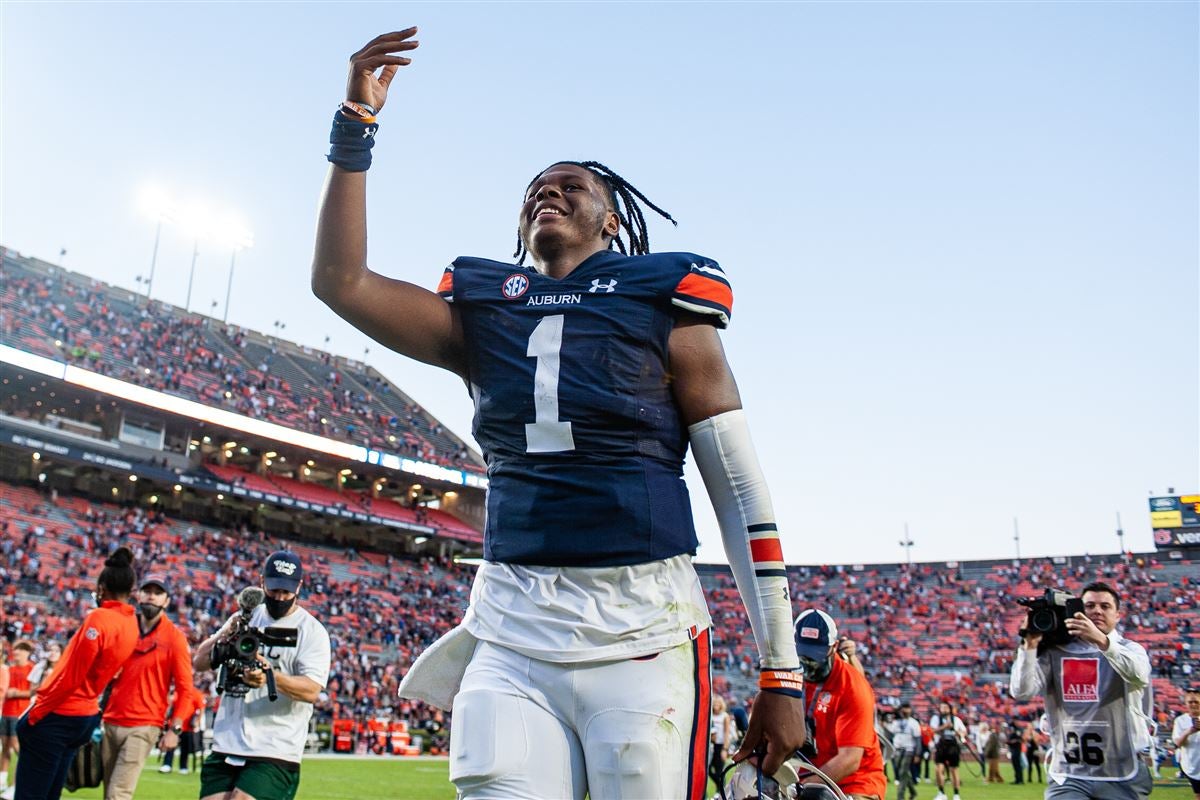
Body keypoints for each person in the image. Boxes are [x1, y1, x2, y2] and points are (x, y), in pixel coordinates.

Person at [314, 28, 806, 800]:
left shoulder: (665, 297)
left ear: (613, 222)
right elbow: (341, 283)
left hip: (641, 629)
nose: (550, 189)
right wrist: (355, 124)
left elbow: (739, 492)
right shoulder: (482, 310)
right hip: (511, 625)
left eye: (572, 185)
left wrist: (782, 671)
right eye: (537, 187)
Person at [193, 550, 331, 800]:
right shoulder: (244, 617)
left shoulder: (312, 631)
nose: (279, 597)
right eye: (274, 589)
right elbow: (199, 661)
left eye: (286, 592)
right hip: (227, 740)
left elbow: (311, 690)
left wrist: (269, 676)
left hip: (275, 747)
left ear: (299, 587)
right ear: (261, 582)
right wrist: (226, 633)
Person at [15, 547, 140, 800]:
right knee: (51, 793)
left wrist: (35, 714)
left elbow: (71, 676)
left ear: (102, 588)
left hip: (60, 714)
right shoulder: (132, 623)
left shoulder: (99, 618)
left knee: (31, 793)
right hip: (85, 714)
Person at [1010, 581, 1154, 800]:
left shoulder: (1131, 649)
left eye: (1105, 607)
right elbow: (1022, 692)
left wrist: (1099, 640)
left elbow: (1138, 674)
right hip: (1070, 772)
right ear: (1076, 610)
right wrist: (1029, 646)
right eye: (1089, 606)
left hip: (1122, 771)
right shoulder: (1055, 653)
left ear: (1117, 616)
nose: (1096, 610)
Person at [100, 573, 196, 800]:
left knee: (118, 793)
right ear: (138, 595)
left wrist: (174, 729)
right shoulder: (124, 627)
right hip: (111, 720)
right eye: (148, 591)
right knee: (108, 791)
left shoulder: (175, 639)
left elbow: (185, 688)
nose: (152, 597)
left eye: (158, 593)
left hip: (144, 725)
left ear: (167, 600)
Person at [792, 609, 887, 800]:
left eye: (814, 655)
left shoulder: (852, 687)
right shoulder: (792, 675)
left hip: (856, 781)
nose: (809, 662)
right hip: (809, 774)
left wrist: (800, 788)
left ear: (833, 647)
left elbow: (850, 760)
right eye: (804, 654)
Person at [1, 641, 34, 793]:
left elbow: (35, 691)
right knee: (5, 746)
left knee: (17, 748)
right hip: (6, 711)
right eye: (14, 651)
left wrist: (17, 693)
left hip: (20, 712)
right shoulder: (9, 669)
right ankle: (2, 779)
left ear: (27, 653)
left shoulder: (32, 669)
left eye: (19, 651)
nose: (15, 654)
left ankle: (16, 784)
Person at [929, 701, 967, 800]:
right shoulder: (936, 718)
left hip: (953, 746)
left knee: (954, 770)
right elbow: (932, 731)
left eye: (946, 707)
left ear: (949, 709)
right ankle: (941, 792)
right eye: (942, 707)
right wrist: (944, 726)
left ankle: (956, 794)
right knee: (938, 769)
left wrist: (959, 733)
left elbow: (963, 731)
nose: (944, 709)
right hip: (941, 746)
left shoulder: (956, 720)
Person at [888, 703, 922, 800]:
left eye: (907, 708)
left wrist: (917, 754)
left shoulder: (914, 723)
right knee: (903, 773)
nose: (905, 711)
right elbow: (891, 734)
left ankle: (900, 796)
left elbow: (917, 739)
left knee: (903, 771)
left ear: (911, 710)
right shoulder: (896, 722)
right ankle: (913, 791)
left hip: (908, 750)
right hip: (897, 750)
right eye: (904, 708)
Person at [1173, 687, 1200, 800]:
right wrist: (1189, 731)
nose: (1193, 704)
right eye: (1190, 702)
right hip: (1192, 765)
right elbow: (1177, 744)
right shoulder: (1180, 721)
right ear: (1185, 704)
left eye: (1196, 702)